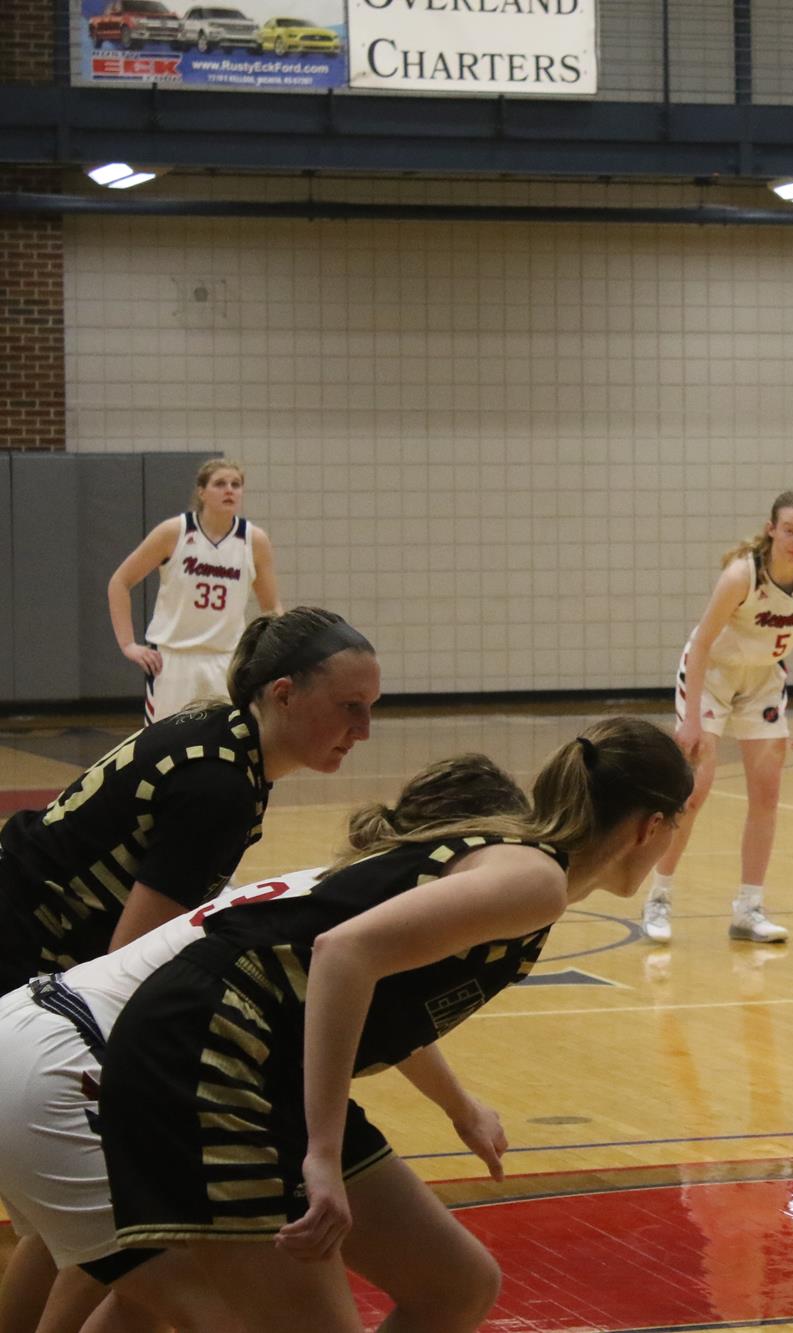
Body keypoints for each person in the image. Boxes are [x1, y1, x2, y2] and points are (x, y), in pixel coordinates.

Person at [89, 718, 693, 1332]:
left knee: (457, 1286)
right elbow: (343, 954)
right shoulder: (534, 880)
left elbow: (379, 987)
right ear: (652, 826)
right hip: (210, 1043)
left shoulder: (525, 866)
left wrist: (460, 1105)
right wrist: (321, 1154)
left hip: (255, 1054)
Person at [0, 756, 530, 1333]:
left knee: (457, 1285)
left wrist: (459, 1106)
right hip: (81, 1056)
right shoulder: (373, 912)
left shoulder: (360, 892)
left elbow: (379, 1018)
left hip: (65, 1043)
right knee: (207, 1301)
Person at [0, 607, 378, 991]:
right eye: (350, 706)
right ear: (284, 695)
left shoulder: (220, 734)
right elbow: (126, 965)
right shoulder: (220, 787)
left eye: (371, 707)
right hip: (22, 943)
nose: (364, 730)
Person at [643, 491, 793, 946]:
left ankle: (749, 908)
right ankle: (659, 897)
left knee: (766, 794)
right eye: (789, 530)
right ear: (771, 529)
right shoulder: (741, 575)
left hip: (764, 679)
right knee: (695, 792)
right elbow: (703, 645)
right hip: (711, 676)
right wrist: (690, 720)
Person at [107, 458, 282, 725]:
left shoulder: (254, 540)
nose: (229, 490)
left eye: (236, 485)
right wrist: (128, 644)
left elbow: (271, 608)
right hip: (172, 658)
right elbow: (119, 582)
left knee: (226, 745)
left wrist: (279, 654)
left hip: (226, 659)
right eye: (220, 483)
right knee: (162, 746)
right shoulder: (174, 532)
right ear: (201, 492)